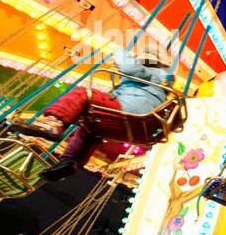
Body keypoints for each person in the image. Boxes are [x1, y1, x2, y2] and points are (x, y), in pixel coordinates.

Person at [23, 50, 173, 180]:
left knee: (83, 94)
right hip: (141, 129)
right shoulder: (160, 86)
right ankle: (70, 161)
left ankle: (53, 122)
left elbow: (130, 68)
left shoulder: (153, 73)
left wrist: (120, 50)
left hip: (131, 113)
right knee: (89, 128)